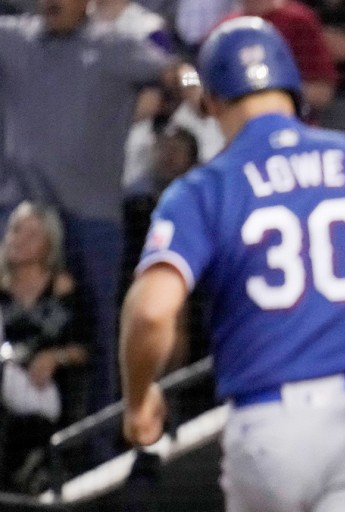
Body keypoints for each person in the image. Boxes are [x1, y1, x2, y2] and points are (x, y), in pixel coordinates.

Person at [118, 17, 345, 512]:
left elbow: (150, 313)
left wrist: (139, 401)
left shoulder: (202, 189)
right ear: (293, 90)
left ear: (209, 104)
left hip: (269, 430)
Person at [0, 0, 192, 448]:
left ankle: (102, 447)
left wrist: (194, 85)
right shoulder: (12, 38)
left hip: (92, 217)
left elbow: (174, 72)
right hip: (21, 214)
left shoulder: (118, 46)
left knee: (103, 334)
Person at [0, 201, 90, 492]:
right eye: (15, 230)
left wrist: (55, 356)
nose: (19, 239)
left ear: (49, 246)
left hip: (43, 397)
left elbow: (85, 348)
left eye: (32, 235)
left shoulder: (62, 288)